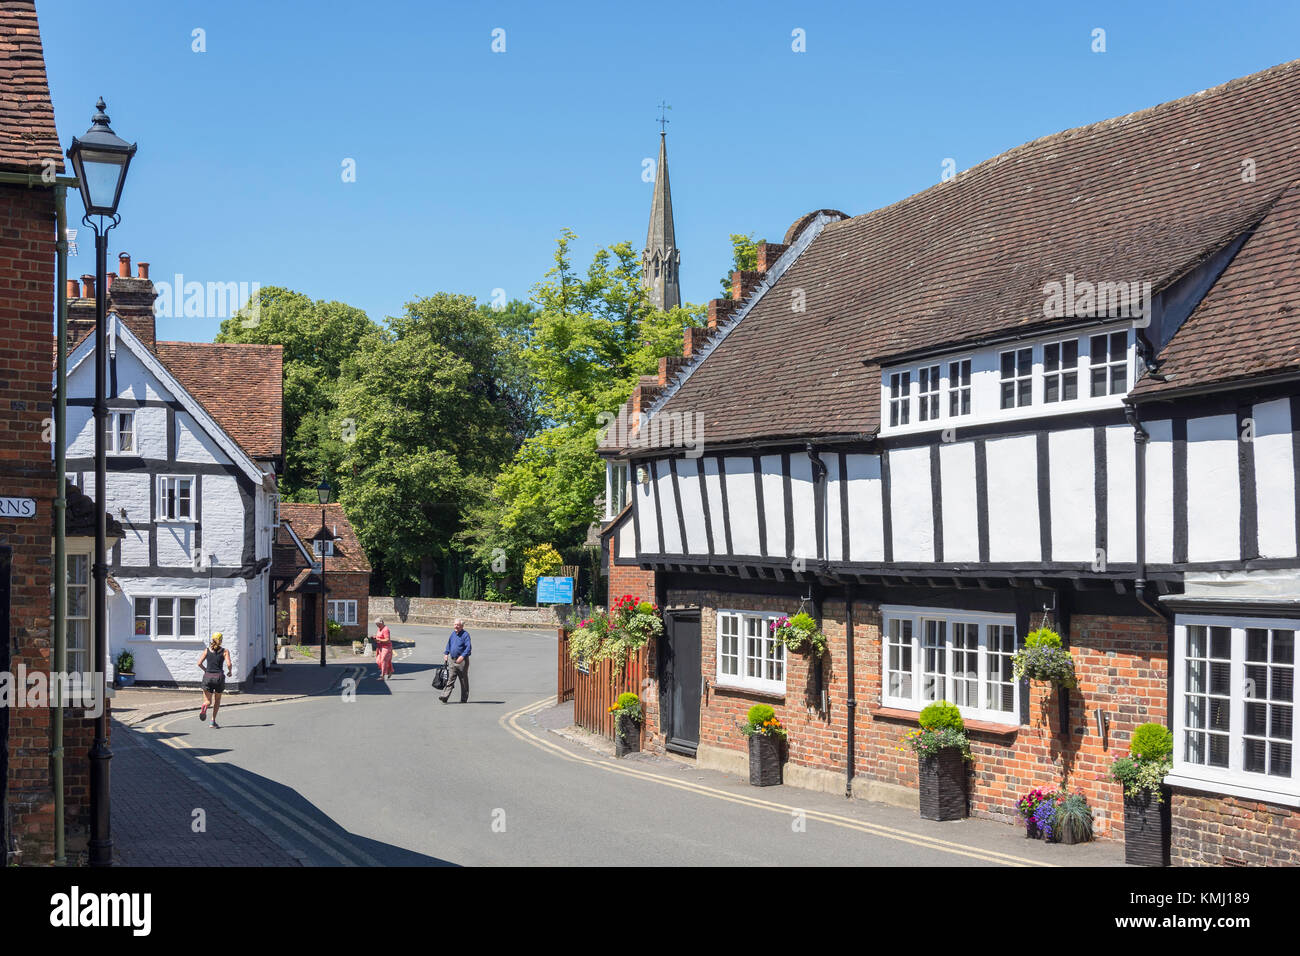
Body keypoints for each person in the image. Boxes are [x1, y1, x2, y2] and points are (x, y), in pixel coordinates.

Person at [196, 632, 233, 728]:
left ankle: (204, 706)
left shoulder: (206, 650)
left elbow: (199, 663)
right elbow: (229, 664)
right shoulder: (225, 651)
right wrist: (230, 671)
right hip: (218, 678)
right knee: (217, 700)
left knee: (208, 701)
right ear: (221, 640)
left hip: (207, 677)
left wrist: (206, 670)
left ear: (212, 639)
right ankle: (212, 721)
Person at [439, 619, 471, 703]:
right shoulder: (453, 634)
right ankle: (445, 696)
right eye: (455, 624)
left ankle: (464, 698)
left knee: (463, 680)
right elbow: (449, 644)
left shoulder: (465, 635)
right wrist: (446, 653)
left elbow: (468, 648)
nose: (455, 626)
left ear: (462, 626)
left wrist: (462, 656)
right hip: (452, 659)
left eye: (458, 625)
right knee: (450, 678)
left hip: (462, 661)